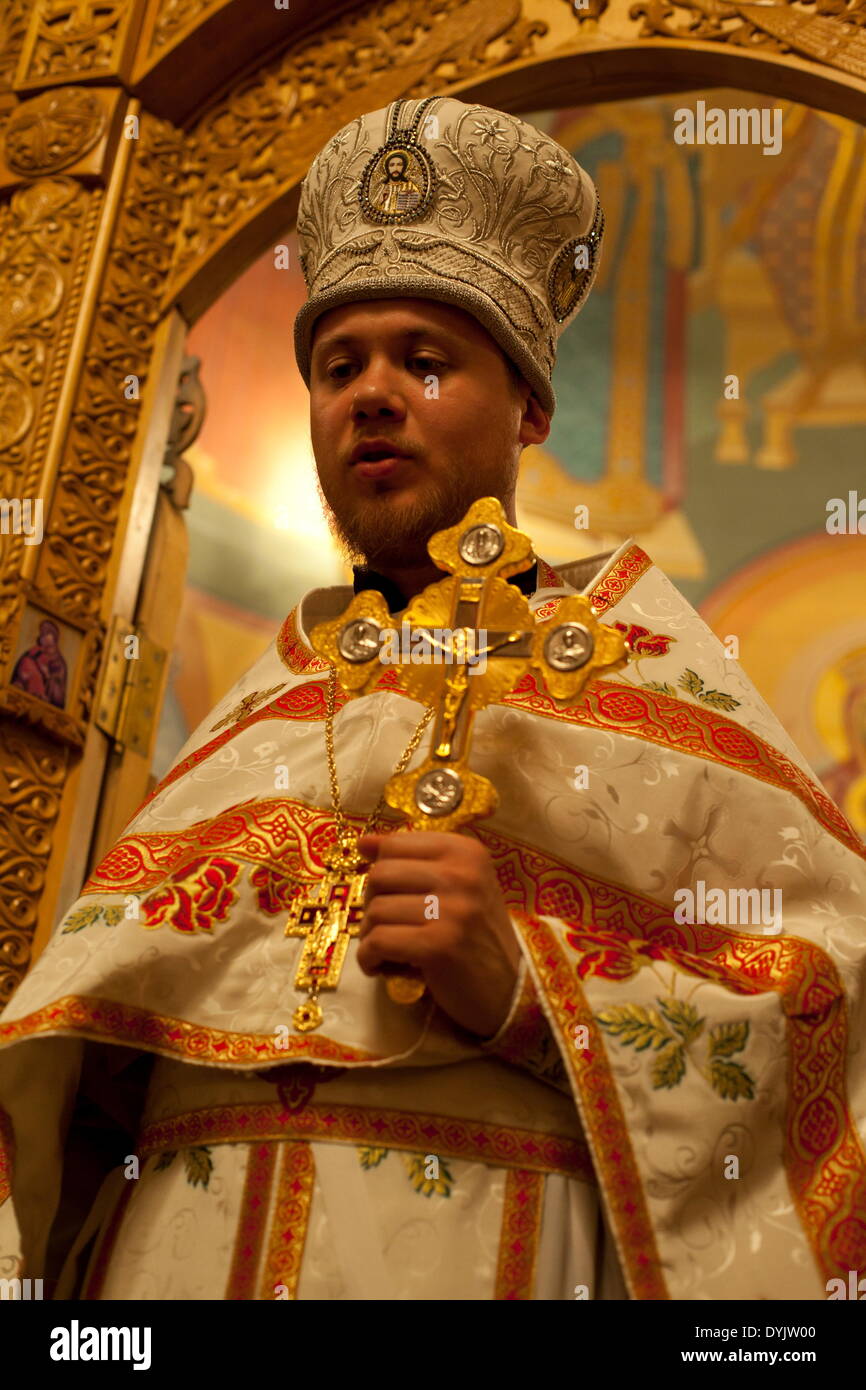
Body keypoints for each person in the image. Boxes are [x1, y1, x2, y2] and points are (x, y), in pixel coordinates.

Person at [0, 96, 864, 1302]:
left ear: (527, 408)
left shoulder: (638, 660)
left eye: (425, 358)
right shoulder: (257, 703)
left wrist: (524, 986)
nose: (371, 393)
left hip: (484, 1239)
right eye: (337, 364)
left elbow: (828, 990)